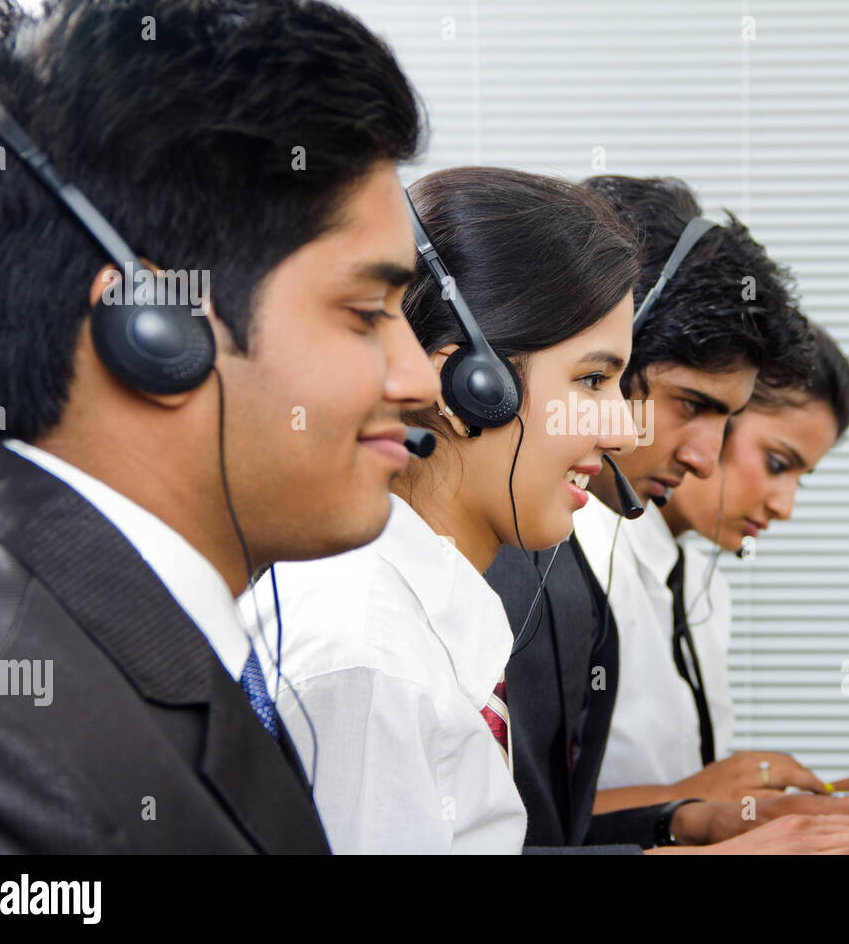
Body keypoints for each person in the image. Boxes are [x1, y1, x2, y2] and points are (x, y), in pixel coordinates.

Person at [0, 0, 437, 852]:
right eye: (366, 313)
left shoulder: (128, 634)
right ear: (152, 326)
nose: (420, 379)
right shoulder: (3, 762)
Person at [486, 174, 849, 852]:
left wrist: (831, 801)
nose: (705, 455)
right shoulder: (549, 559)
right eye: (777, 461)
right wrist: (696, 809)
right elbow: (535, 830)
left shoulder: (684, 583)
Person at [243, 167, 642, 853]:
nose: (625, 433)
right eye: (592, 380)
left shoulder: (433, 620)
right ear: (468, 388)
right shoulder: (372, 657)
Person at [598, 316, 849, 816]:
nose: (785, 505)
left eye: (802, 478)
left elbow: (717, 805)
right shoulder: (583, 562)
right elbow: (536, 823)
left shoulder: (703, 585)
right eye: (778, 463)